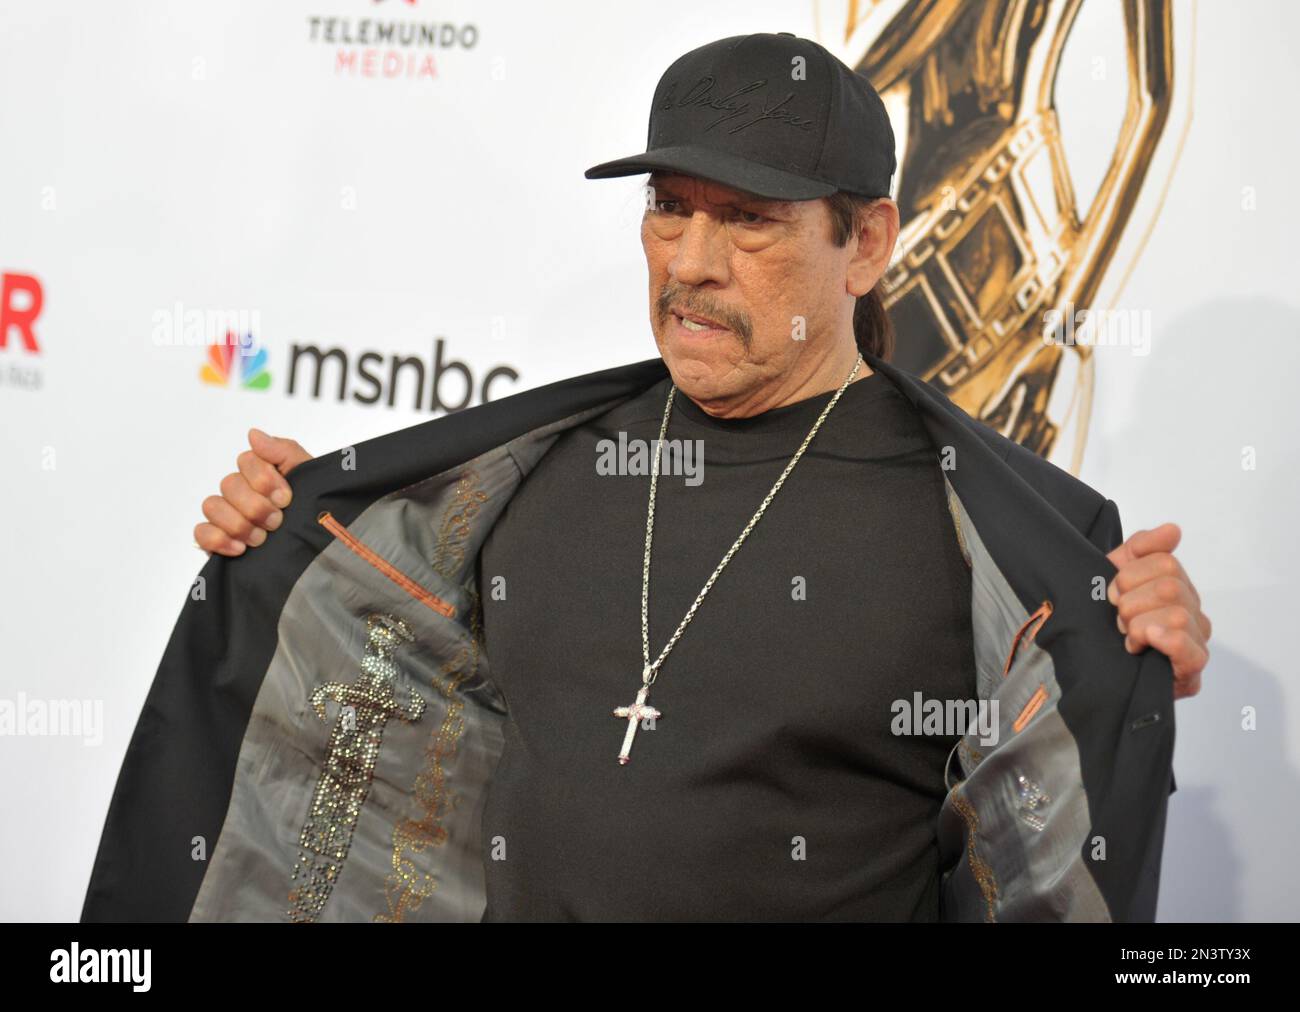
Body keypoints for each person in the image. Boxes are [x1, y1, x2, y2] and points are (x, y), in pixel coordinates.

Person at [140, 33, 1208, 922]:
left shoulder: (993, 540)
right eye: (668, 208)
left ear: (867, 241)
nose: (690, 261)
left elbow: (1055, 820)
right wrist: (295, 539)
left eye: (748, 218)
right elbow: (367, 714)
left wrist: (1129, 649)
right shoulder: (512, 479)